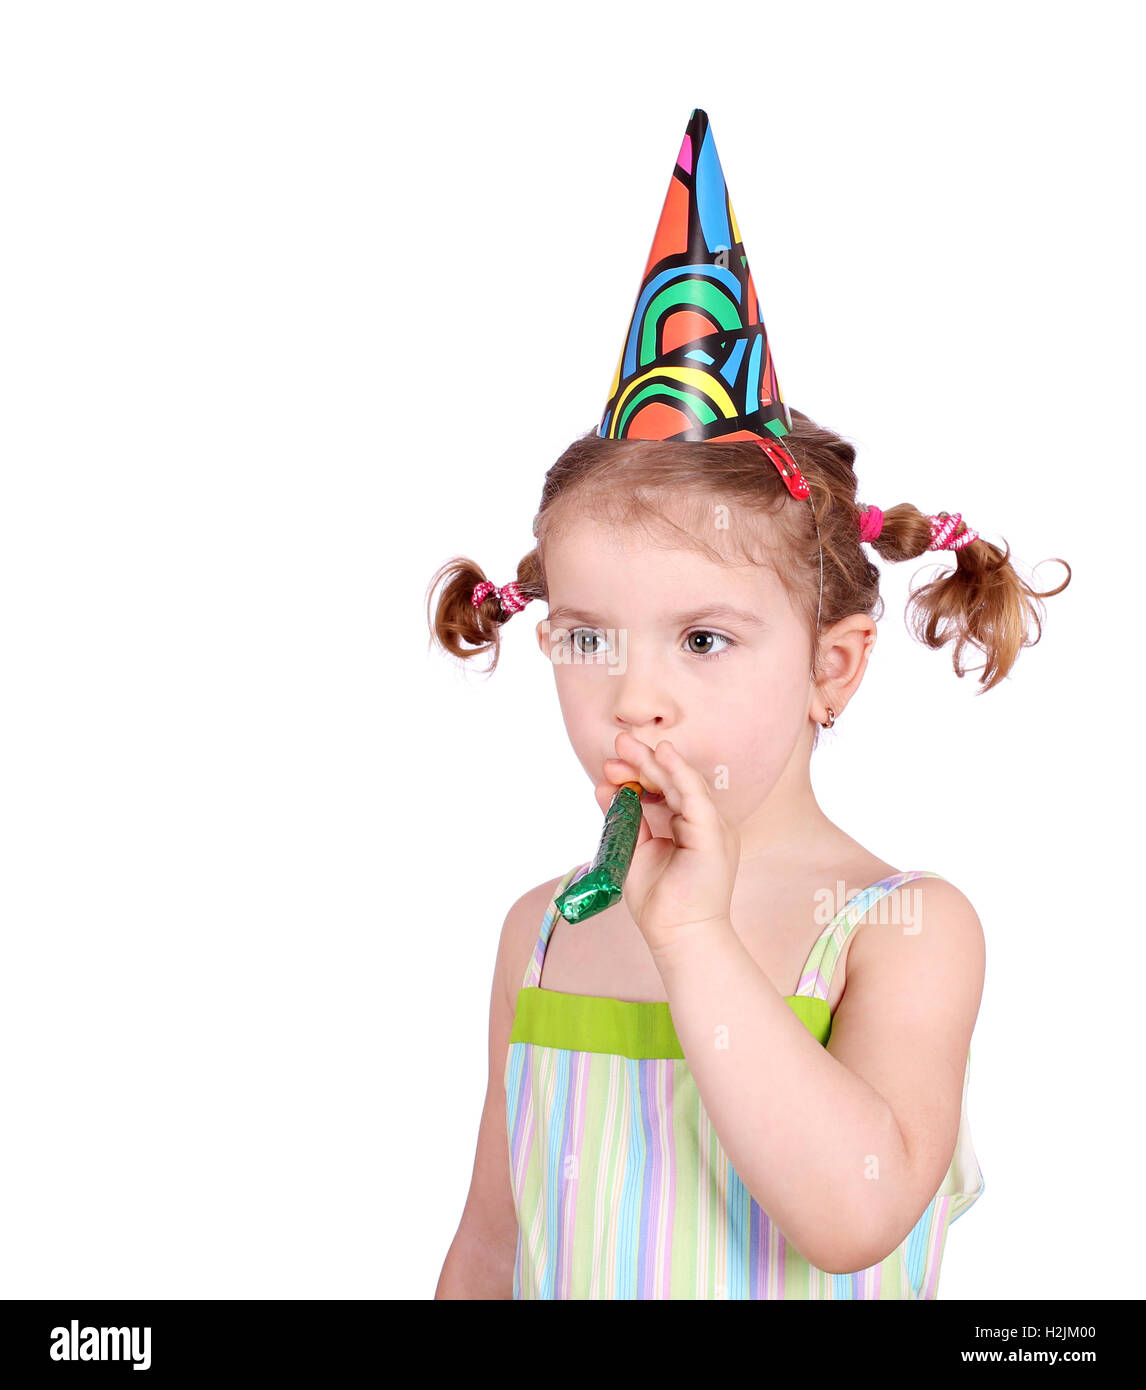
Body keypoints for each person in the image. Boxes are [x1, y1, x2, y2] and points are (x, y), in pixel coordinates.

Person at [427, 110, 1070, 1300]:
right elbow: (489, 1245)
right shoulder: (544, 932)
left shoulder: (899, 930)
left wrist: (696, 937)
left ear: (834, 666)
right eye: (587, 637)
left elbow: (855, 1211)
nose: (636, 697)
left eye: (706, 639)